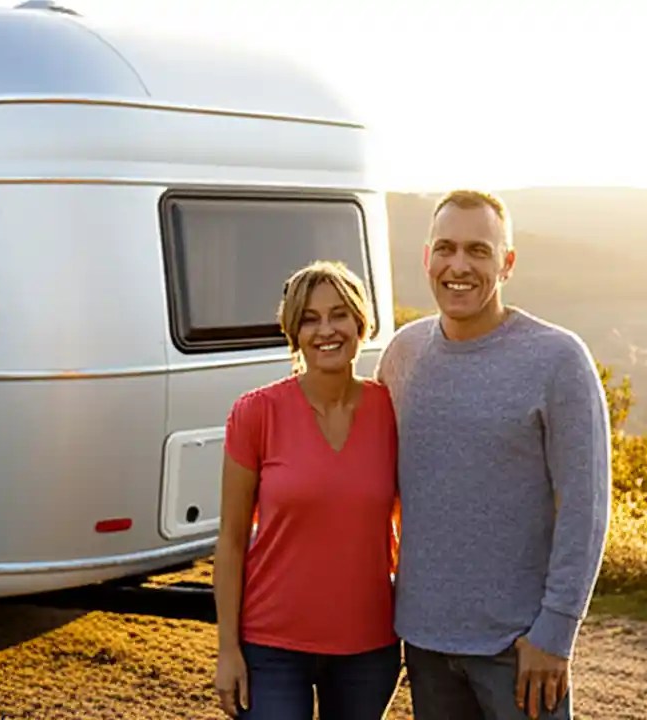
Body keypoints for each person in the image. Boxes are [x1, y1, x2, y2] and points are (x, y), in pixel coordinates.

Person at [375, 189, 612, 720]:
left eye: (478, 251)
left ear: (506, 263)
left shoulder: (558, 360)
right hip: (425, 642)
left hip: (521, 648)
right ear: (427, 257)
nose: (459, 266)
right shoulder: (402, 355)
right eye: (446, 248)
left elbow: (585, 508)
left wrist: (556, 632)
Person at [213, 260, 402, 719]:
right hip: (272, 645)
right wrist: (227, 651)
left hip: (367, 646)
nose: (326, 330)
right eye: (309, 319)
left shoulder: (393, 411)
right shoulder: (256, 414)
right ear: (293, 332)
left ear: (360, 323)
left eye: (339, 315)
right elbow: (233, 540)